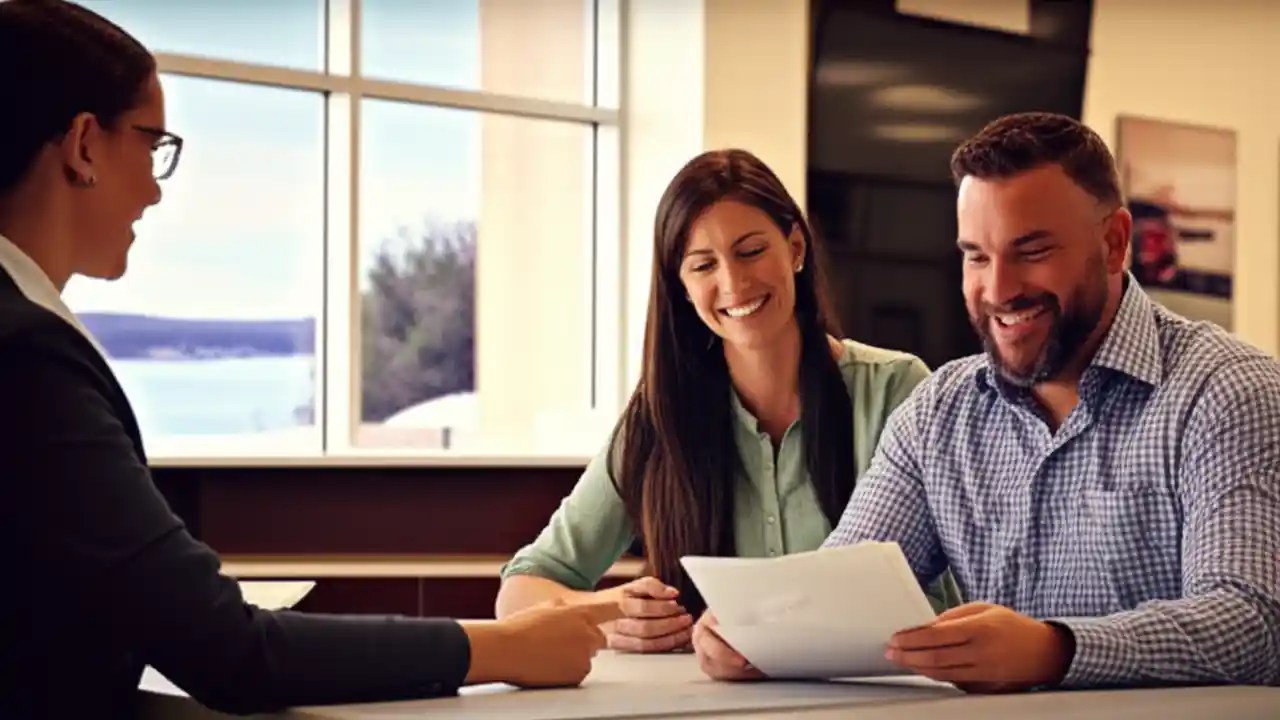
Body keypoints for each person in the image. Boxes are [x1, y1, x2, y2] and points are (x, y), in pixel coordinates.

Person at [0, 1, 619, 717]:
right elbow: (230, 652)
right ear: (82, 145)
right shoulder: (27, 360)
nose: (154, 187)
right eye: (151, 144)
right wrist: (504, 649)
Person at [693, 112, 1280, 690]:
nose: (997, 289)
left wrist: (1056, 649)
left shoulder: (1227, 394)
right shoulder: (938, 412)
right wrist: (756, 633)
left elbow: (1252, 624)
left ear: (1114, 242)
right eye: (976, 255)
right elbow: (836, 589)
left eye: (1032, 251)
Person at [496, 148, 962, 654]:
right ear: (682, 286)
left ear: (796, 248)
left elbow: (950, 592)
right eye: (703, 265)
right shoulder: (659, 417)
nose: (734, 283)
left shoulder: (898, 389)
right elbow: (523, 588)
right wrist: (610, 620)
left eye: (751, 251)